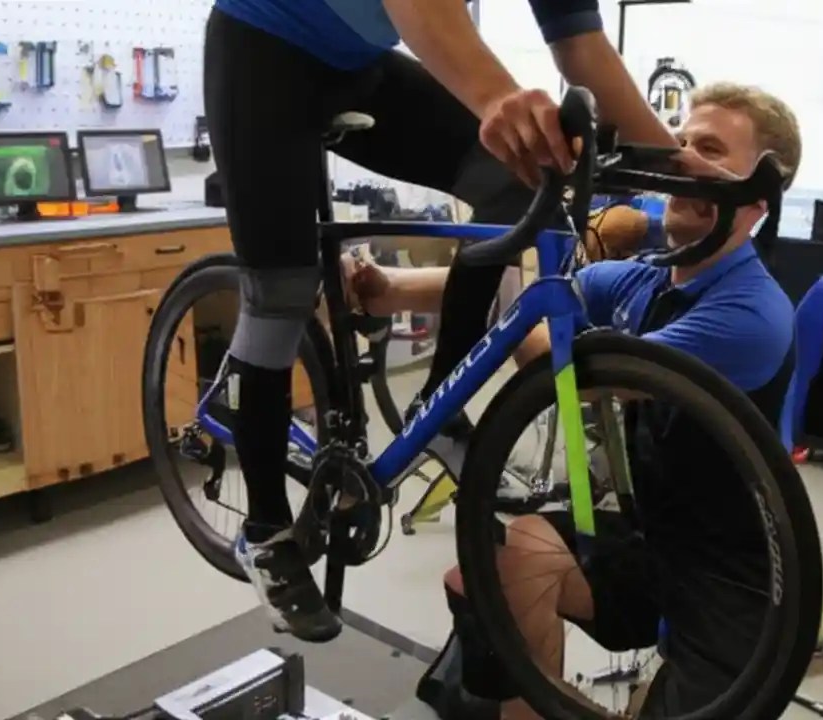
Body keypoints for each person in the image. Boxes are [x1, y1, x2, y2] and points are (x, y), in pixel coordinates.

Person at [205, 0, 731, 643]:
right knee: (281, 292)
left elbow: (585, 47)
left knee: (513, 181)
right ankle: (264, 533)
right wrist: (501, 99)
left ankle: (435, 403)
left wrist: (683, 171)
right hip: (262, 51)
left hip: (356, 67)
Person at [345, 82, 803, 720]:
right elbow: (539, 294)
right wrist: (389, 289)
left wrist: (513, 304)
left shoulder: (753, 314)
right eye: (681, 142)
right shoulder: (649, 279)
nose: (685, 161)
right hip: (654, 543)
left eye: (713, 151)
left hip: (732, 587)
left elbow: (577, 369)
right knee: (501, 567)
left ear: (756, 199)